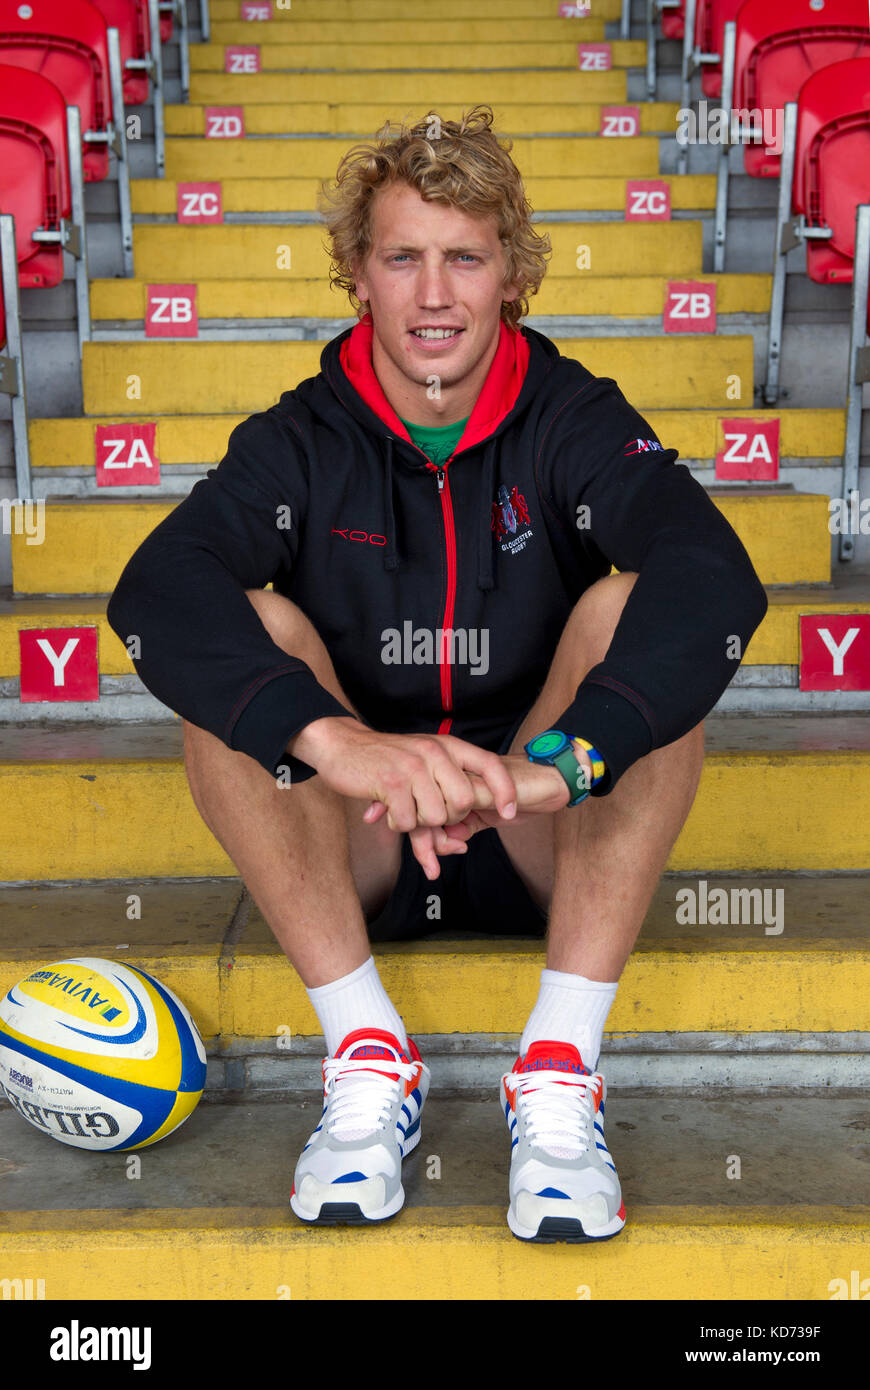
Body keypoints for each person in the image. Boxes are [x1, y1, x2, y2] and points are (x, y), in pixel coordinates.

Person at [107, 106, 768, 1244]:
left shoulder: (574, 417)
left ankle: (558, 1075)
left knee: (627, 607)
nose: (433, 295)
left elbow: (713, 573)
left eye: (464, 257)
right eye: (402, 257)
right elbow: (156, 591)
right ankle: (370, 1056)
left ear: (511, 274)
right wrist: (337, 742)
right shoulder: (298, 439)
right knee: (243, 626)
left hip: (539, 820)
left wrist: (572, 757)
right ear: (356, 275)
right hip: (356, 831)